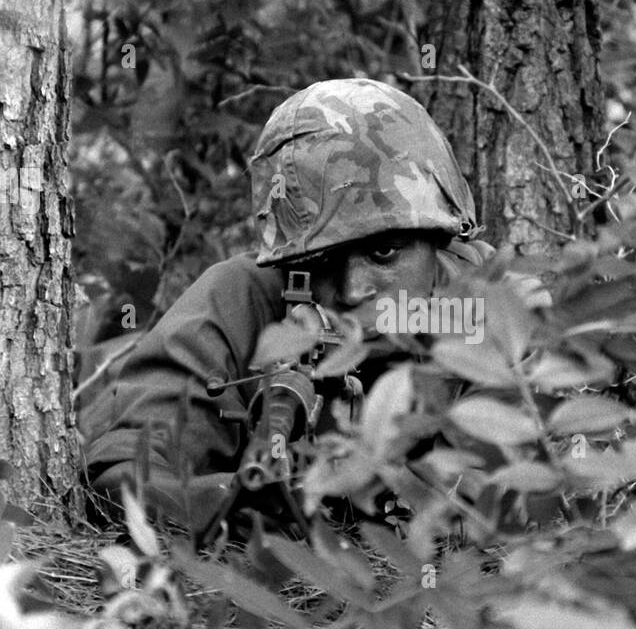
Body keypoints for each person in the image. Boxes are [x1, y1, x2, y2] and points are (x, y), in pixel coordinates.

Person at [80, 78, 493, 535]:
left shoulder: (496, 312)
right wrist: (229, 507)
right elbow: (120, 474)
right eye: (321, 261)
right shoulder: (244, 297)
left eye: (384, 252)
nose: (354, 290)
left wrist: (346, 506)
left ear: (441, 236)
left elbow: (500, 499)